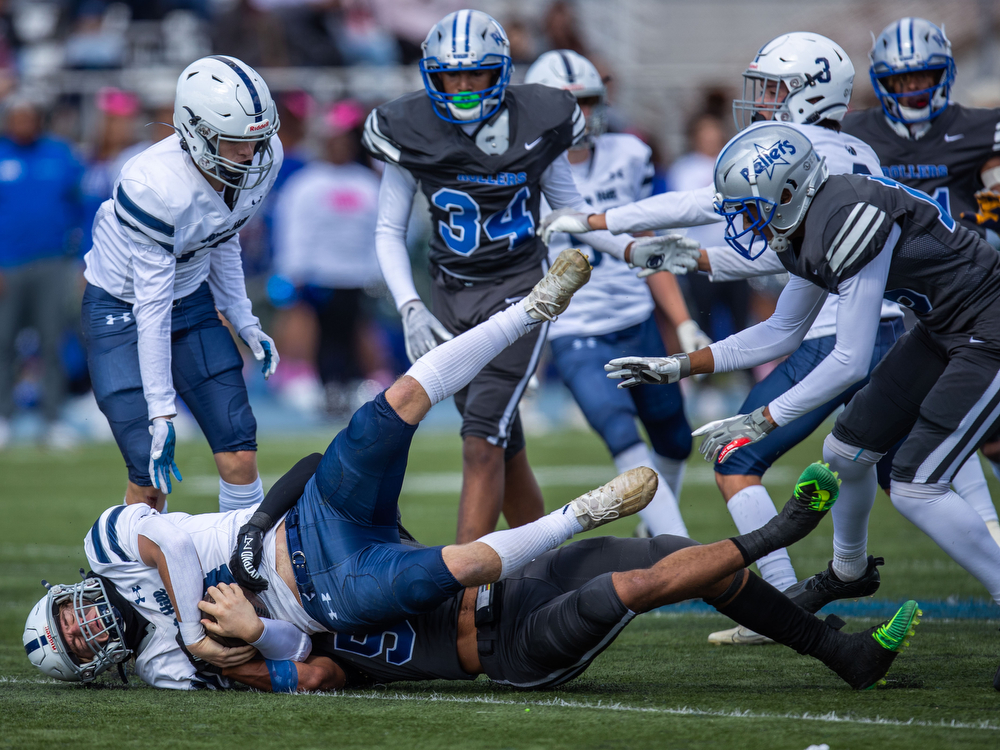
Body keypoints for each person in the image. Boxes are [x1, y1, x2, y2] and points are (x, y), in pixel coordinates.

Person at [25, 435, 923, 692]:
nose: (87, 621)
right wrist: (263, 647)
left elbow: (306, 475)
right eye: (76, 637)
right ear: (97, 664)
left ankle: (836, 651)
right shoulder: (193, 662)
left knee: (681, 557)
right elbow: (327, 675)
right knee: (636, 583)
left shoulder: (195, 560)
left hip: (505, 583)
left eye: (72, 612)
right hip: (499, 650)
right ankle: (778, 539)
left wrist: (258, 533)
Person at [604, 122, 1000, 687]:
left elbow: (850, 361)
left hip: (987, 324)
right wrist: (679, 365)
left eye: (747, 210)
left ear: (788, 193)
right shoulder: (810, 223)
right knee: (844, 450)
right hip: (945, 325)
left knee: (916, 483)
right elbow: (783, 331)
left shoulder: (845, 217)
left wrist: (763, 417)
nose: (740, 224)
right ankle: (850, 570)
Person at [540, 32, 904, 645]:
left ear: (809, 94)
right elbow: (770, 266)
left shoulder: (792, 147)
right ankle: (848, 566)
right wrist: (687, 288)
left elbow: (700, 206)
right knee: (888, 466)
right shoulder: (855, 149)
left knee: (745, 458)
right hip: (893, 325)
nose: (760, 101)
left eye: (772, 89)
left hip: (839, 330)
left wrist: (601, 221)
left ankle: (789, 597)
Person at [363, 9, 698, 543]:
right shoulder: (409, 127)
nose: (465, 86)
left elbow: (572, 212)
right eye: (452, 74)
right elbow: (387, 229)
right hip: (449, 294)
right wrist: (409, 304)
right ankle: (538, 566)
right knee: (505, 440)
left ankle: (464, 596)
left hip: (523, 293)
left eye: (477, 73)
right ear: (431, 75)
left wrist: (636, 249)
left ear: (502, 72)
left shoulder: (538, 118)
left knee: (480, 441)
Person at [81, 55, 283, 512]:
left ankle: (244, 569)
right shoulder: (151, 186)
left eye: (256, 140)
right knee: (148, 471)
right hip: (123, 311)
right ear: (197, 132)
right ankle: (135, 581)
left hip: (190, 299)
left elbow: (223, 236)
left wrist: (244, 319)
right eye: (234, 143)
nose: (250, 155)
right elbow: (150, 307)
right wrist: (161, 410)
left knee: (239, 453)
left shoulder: (261, 158)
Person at [524, 49, 707, 538]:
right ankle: (681, 551)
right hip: (578, 331)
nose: (579, 115)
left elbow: (648, 250)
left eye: (586, 101)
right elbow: (524, 272)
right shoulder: (525, 172)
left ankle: (655, 531)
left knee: (674, 440)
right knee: (623, 438)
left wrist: (682, 320)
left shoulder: (630, 155)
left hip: (638, 320)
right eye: (567, 104)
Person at [842, 17, 1000, 532]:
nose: (912, 90)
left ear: (946, 72)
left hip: (970, 294)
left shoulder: (980, 129)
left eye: (922, 77)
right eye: (900, 81)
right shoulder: (854, 135)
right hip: (896, 301)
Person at [272, 99, 391, 417]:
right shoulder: (306, 183)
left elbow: (384, 231)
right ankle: (301, 379)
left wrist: (379, 272)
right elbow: (293, 230)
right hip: (317, 276)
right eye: (332, 140)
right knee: (306, 323)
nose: (338, 146)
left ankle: (376, 381)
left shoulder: (368, 183)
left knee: (362, 327)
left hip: (357, 276)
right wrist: (293, 272)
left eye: (343, 139)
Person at [0, 95, 84, 450]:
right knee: (5, 342)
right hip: (8, 265)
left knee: (52, 341)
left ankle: (52, 418)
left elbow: (81, 208)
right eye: (17, 118)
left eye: (28, 117)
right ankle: (4, 417)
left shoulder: (59, 154)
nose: (23, 124)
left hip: (52, 262)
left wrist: (80, 258)